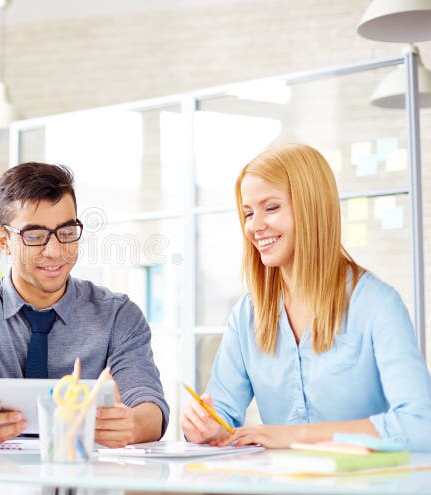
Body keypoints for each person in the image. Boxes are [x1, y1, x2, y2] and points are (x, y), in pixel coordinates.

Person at [181, 143, 431, 451]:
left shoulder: (377, 305)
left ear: (311, 208)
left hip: (368, 494)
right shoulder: (247, 314)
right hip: (284, 493)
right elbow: (222, 418)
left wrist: (294, 436)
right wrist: (204, 426)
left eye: (270, 208)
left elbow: (420, 425)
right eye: (248, 213)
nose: (255, 226)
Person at [0, 162, 169, 448]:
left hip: (85, 479)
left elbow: (150, 407)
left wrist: (132, 425)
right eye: (34, 236)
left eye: (66, 232)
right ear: (4, 241)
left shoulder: (118, 314)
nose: (54, 251)